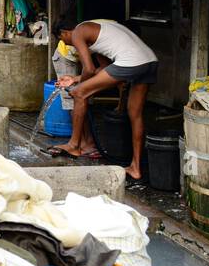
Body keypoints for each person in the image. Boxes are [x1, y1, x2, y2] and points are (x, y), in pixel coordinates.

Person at [50, 17, 159, 182]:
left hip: (131, 62)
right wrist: (76, 80)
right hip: (149, 61)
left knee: (79, 94)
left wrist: (81, 90)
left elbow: (89, 68)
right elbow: (104, 68)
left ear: (65, 33)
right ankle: (135, 167)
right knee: (134, 113)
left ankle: (74, 145)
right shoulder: (99, 30)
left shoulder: (79, 32)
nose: (66, 44)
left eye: (62, 39)